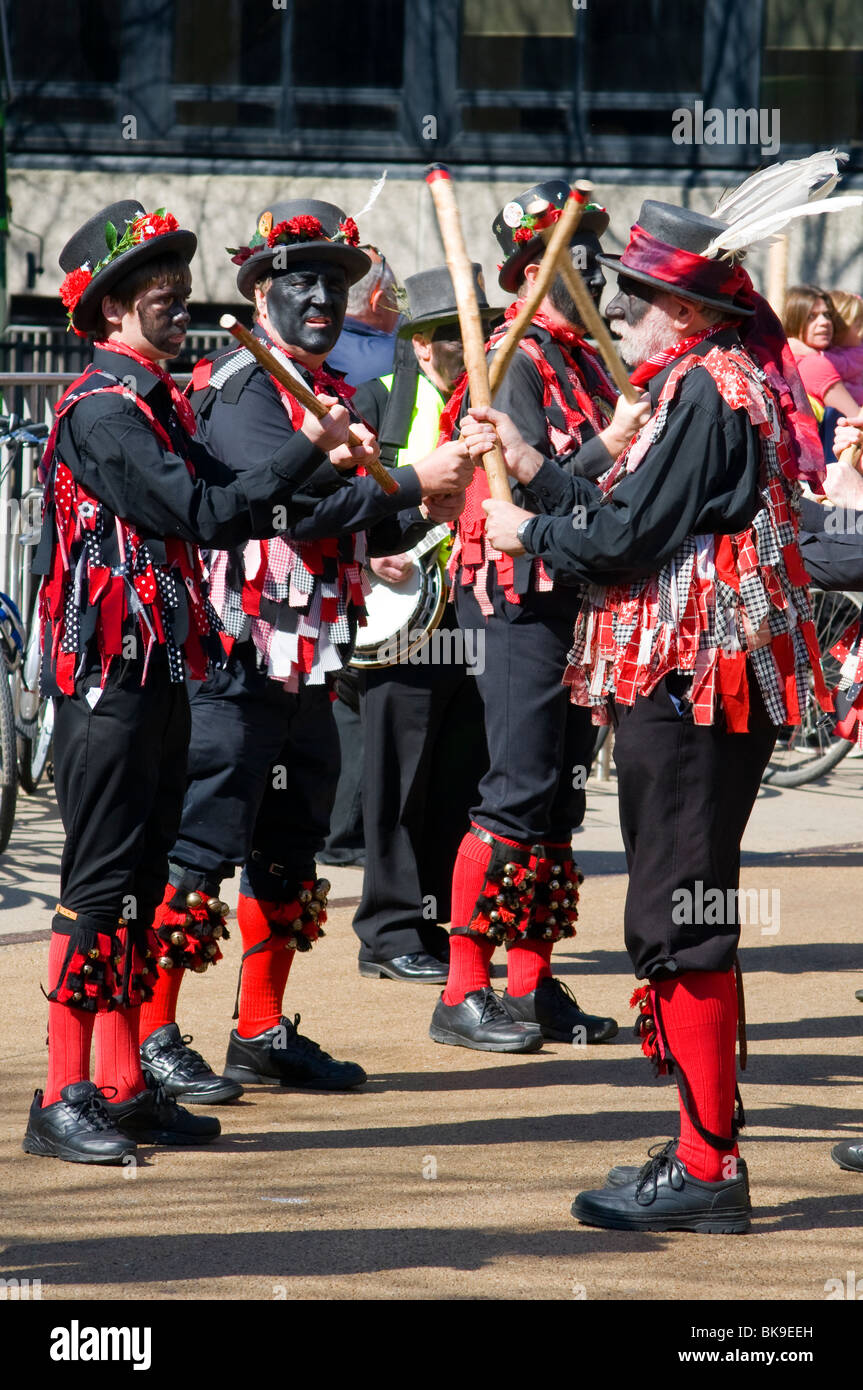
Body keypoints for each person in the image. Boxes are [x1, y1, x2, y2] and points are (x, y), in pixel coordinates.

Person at [468, 197, 828, 1231]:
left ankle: (707, 1167)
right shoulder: (700, 384)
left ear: (678, 310)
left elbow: (623, 539)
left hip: (691, 683)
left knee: (679, 913)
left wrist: (517, 526)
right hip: (686, 681)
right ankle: (699, 1144)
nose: (617, 311)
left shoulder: (708, 392)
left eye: (634, 296)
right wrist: (535, 470)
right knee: (684, 908)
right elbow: (632, 514)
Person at [23, 200, 358, 1163]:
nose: (182, 306)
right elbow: (205, 511)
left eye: (179, 290)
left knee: (136, 878)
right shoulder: (99, 409)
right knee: (96, 884)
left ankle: (123, 1084)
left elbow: (249, 496)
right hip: (107, 680)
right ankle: (60, 1094)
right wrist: (313, 444)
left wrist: (385, 481)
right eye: (163, 294)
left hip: (163, 668)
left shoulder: (159, 403)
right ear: (114, 308)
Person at [139, 200, 474, 1101]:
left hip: (311, 654)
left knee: (291, 838)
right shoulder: (246, 389)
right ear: (259, 291)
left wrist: (438, 488)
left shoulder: (321, 391)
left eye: (336, 280)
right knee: (204, 835)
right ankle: (153, 1033)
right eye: (300, 280)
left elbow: (363, 514)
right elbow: (281, 510)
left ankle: (258, 1031)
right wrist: (405, 480)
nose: (323, 295)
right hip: (238, 653)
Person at [429, 179, 649, 1054]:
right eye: (568, 257)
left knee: (557, 797)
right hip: (517, 600)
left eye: (590, 255)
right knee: (516, 788)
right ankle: (460, 989)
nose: (587, 270)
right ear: (527, 271)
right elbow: (515, 482)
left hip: (579, 598)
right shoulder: (511, 359)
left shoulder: (592, 361)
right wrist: (613, 442)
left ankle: (528, 983)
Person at [350, 264, 498, 982]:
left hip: (476, 607)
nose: (447, 348)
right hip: (402, 619)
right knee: (397, 777)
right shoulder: (376, 398)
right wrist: (369, 549)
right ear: (412, 342)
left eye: (461, 334)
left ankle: (431, 918)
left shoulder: (498, 402)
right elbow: (339, 498)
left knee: (458, 773)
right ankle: (387, 928)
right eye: (433, 335)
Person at [783, 285, 862, 420]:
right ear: (793, 321)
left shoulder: (781, 358)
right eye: (811, 316)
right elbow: (856, 419)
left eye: (827, 315)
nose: (824, 322)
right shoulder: (816, 363)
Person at [326, 246, 400, 387]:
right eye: (395, 297)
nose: (397, 309)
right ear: (378, 303)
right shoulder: (401, 359)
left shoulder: (308, 346)